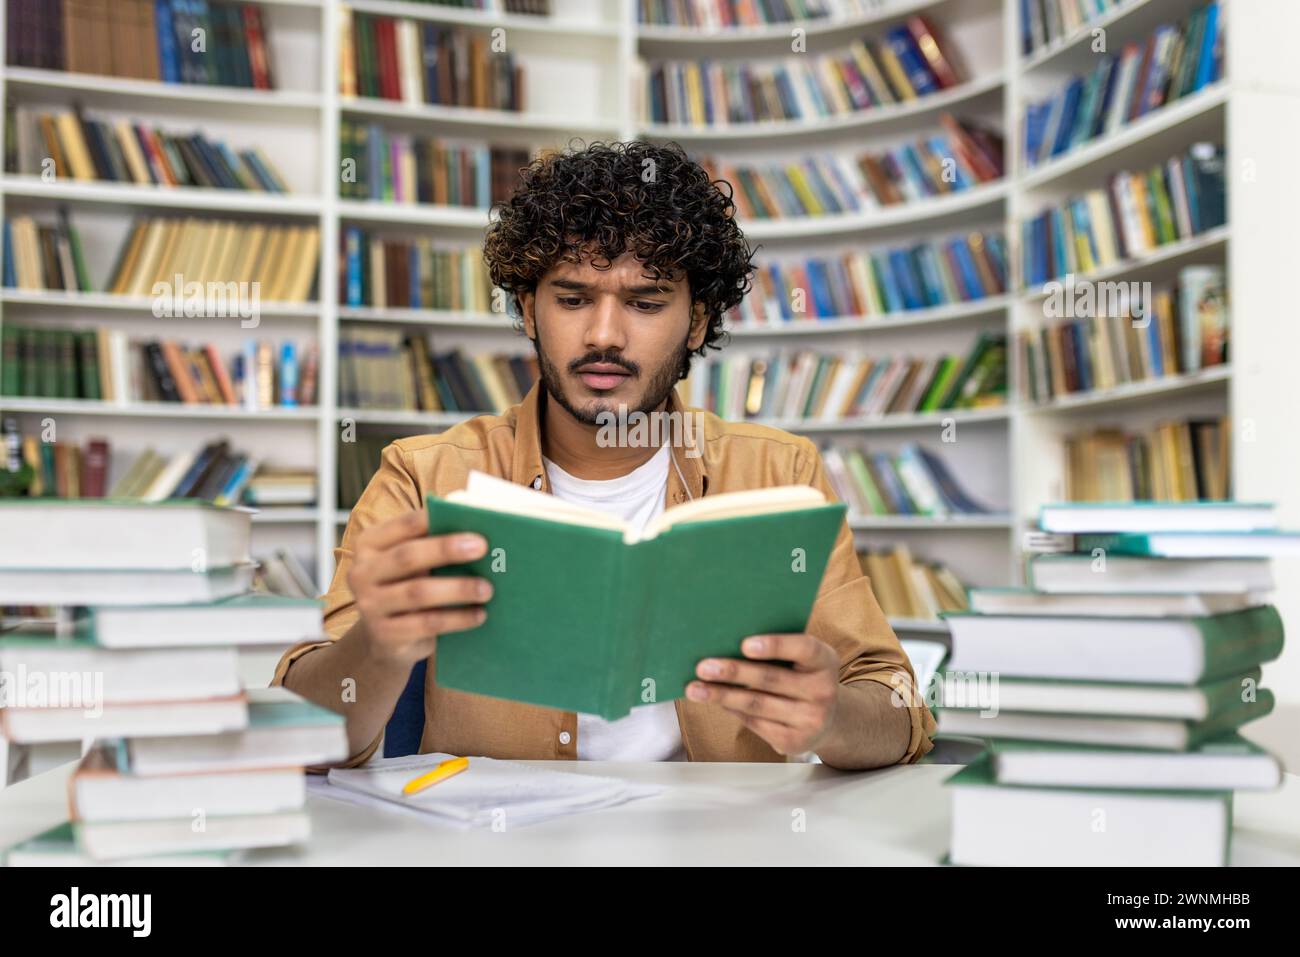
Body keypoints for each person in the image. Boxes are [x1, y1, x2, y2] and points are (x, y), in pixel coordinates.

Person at [275, 140, 936, 769]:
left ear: (698, 321)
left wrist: (831, 718)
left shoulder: (776, 473)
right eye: (571, 298)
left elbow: (899, 705)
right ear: (529, 310)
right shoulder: (425, 476)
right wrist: (379, 646)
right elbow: (306, 742)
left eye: (645, 302)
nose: (604, 335)